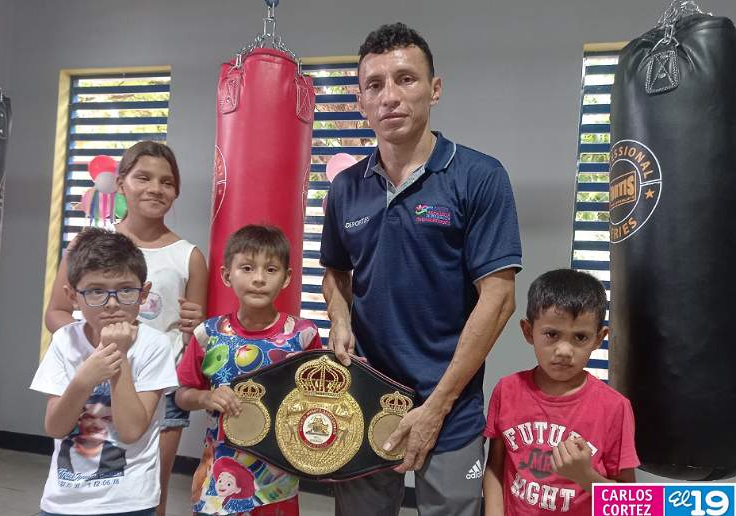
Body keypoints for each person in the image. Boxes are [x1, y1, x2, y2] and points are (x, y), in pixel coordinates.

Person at [320, 23, 522, 516]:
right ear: (360, 102)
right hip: (364, 398)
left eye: (406, 79)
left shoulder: (479, 176)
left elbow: (499, 299)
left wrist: (435, 408)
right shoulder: (345, 187)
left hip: (449, 406)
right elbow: (336, 273)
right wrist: (340, 318)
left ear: (435, 89)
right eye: (375, 85)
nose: (390, 96)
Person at [45, 141, 209, 515]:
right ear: (121, 184)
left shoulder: (189, 255)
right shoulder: (87, 246)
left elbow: (199, 335)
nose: (155, 188)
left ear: (176, 191)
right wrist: (91, 354)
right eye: (143, 178)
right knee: (86, 480)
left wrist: (197, 325)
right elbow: (56, 312)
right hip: (94, 381)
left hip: (159, 385)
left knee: (153, 489)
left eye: (167, 182)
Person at [175, 225, 322, 516]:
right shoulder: (209, 333)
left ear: (287, 278)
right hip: (218, 477)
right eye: (246, 267)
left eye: (270, 269)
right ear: (227, 275)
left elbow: (319, 402)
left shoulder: (303, 335)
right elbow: (182, 394)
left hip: (277, 479)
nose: (258, 279)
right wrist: (206, 398)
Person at [31, 228, 179, 516]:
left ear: (144, 293)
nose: (112, 303)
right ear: (73, 296)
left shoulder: (155, 346)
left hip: (129, 501)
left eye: (125, 290)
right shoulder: (65, 342)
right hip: (62, 500)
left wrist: (118, 355)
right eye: (96, 291)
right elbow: (56, 427)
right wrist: (85, 378)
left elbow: (131, 430)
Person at [483, 269, 639, 516]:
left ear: (599, 339)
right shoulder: (507, 389)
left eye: (580, 337)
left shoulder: (615, 408)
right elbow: (494, 467)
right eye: (552, 334)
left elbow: (628, 503)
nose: (564, 350)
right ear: (527, 331)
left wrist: (585, 476)